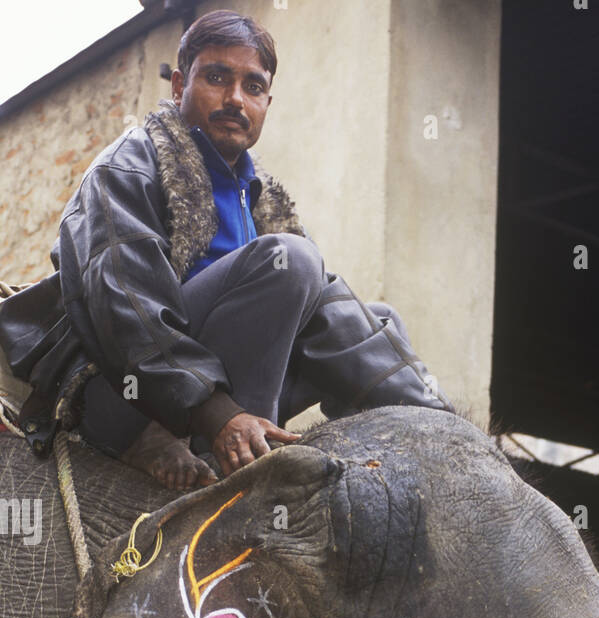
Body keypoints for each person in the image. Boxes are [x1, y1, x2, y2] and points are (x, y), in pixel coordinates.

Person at [0, 9, 453, 490]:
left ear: (267, 102)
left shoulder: (262, 202)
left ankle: (430, 453)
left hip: (207, 386)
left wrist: (445, 427)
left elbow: (331, 313)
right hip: (118, 395)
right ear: (179, 86)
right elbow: (124, 308)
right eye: (217, 78)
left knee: (377, 321)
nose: (236, 98)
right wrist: (217, 414)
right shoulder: (128, 168)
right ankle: (239, 473)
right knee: (293, 261)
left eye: (253, 87)